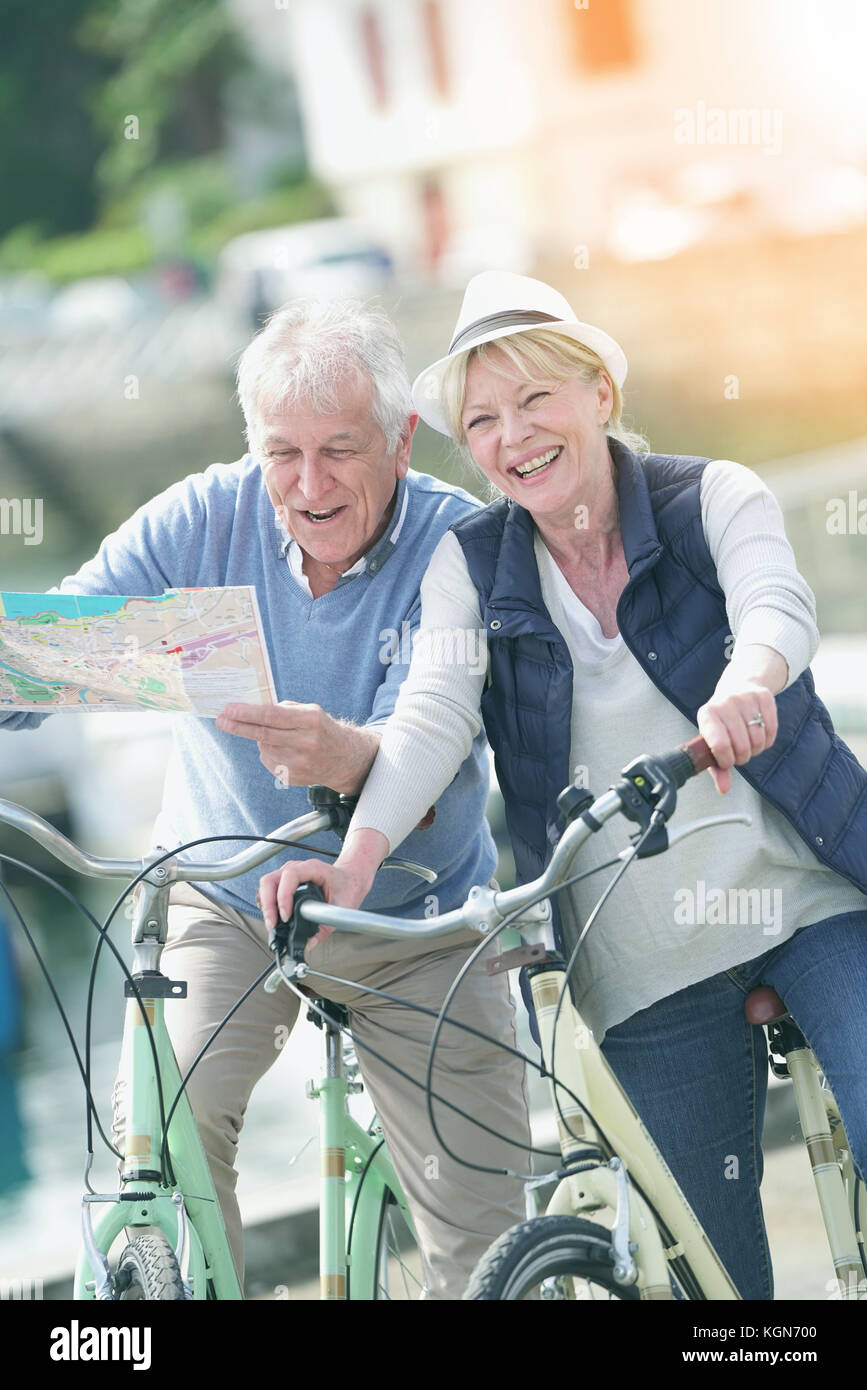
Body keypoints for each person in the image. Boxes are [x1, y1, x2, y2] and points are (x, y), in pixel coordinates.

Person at [261, 271, 867, 1300]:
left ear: (598, 393)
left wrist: (746, 685)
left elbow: (776, 603)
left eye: (536, 398)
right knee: (717, 1286)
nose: (513, 436)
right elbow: (433, 716)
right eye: (484, 420)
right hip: (636, 962)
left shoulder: (713, 494)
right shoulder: (473, 564)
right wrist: (354, 862)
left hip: (805, 900)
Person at [0, 297, 532, 1298]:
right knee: (164, 1141)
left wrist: (351, 755)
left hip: (409, 911)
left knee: (485, 1239)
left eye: (340, 450)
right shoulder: (205, 516)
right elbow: (43, 657)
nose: (309, 484)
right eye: (282, 453)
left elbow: (428, 730)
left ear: (403, 439)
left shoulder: (461, 544)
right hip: (226, 897)